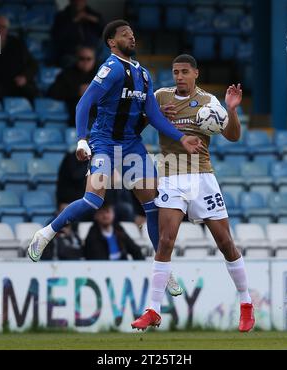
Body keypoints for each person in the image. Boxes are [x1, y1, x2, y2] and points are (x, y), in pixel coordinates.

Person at [28, 21, 202, 296]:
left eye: (132, 33)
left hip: (131, 145)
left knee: (154, 205)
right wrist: (82, 139)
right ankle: (46, 233)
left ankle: (162, 267)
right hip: (104, 142)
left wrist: (180, 138)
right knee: (93, 201)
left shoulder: (143, 75)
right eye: (124, 34)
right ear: (111, 42)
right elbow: (84, 104)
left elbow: (154, 115)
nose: (131, 36)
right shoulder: (110, 69)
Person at [131, 54, 255, 332]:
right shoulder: (161, 97)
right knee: (165, 241)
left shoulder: (210, 103)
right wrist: (156, 116)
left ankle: (246, 304)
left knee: (225, 243)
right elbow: (135, 121)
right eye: (176, 72)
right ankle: (153, 309)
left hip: (202, 178)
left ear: (196, 73)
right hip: (171, 176)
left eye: (185, 71)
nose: (179, 76)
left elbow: (233, 136)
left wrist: (232, 110)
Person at [48, 45, 98, 125]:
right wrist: (77, 91)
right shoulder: (67, 74)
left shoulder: (103, 74)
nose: (85, 62)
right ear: (76, 59)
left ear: (94, 60)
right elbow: (52, 92)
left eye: (89, 59)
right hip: (77, 117)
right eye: (82, 58)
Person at [0, 15, 38, 100]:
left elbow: (33, 65)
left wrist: (25, 77)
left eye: (3, 27)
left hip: (16, 85)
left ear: (7, 29)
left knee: (32, 92)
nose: (0, 30)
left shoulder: (17, 44)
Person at [51, 0, 103, 67]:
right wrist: (73, 21)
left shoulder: (94, 15)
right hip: (71, 52)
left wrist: (95, 20)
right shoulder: (61, 16)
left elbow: (105, 33)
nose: (78, 2)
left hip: (93, 51)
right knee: (69, 62)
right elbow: (57, 36)